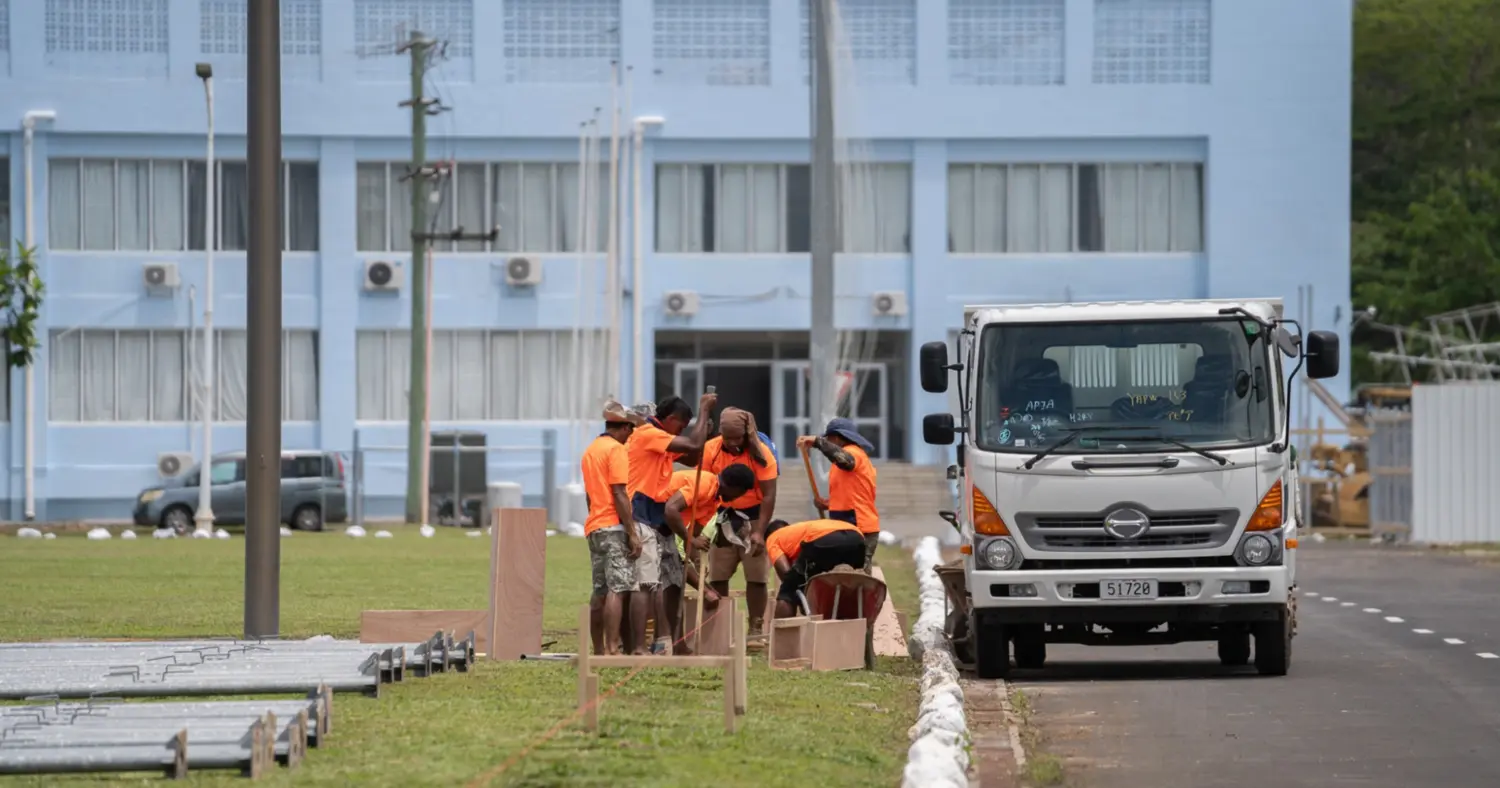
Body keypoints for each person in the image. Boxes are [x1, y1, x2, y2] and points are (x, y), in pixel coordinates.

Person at [626, 391, 717, 655]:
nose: (683, 431)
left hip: (654, 515)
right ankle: (639, 646)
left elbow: (692, 456)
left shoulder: (662, 439)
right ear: (671, 419)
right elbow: (691, 446)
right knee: (647, 583)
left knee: (666, 580)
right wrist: (703, 411)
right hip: (640, 510)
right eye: (682, 425)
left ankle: (669, 641)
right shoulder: (649, 434)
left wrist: (703, 431)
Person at [701, 408, 778, 641]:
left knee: (756, 576)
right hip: (721, 514)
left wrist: (759, 532)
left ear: (747, 433)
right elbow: (704, 485)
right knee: (717, 575)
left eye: (738, 438)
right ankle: (720, 630)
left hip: (754, 516)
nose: (733, 443)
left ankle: (755, 629)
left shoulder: (762, 454)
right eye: (728, 438)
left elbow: (769, 495)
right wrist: (705, 526)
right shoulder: (710, 449)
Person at [580, 404, 643, 656]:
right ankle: (612, 647)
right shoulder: (616, 450)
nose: (630, 436)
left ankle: (598, 650)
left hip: (594, 526)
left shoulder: (591, 450)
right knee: (618, 588)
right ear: (625, 427)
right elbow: (619, 492)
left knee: (600, 590)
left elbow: (588, 495)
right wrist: (631, 531)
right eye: (631, 431)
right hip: (613, 526)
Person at [798, 417, 880, 574]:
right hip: (844, 527)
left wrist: (817, 442)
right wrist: (828, 504)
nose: (828, 441)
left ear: (836, 437)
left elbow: (844, 459)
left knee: (857, 577)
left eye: (828, 439)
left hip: (859, 526)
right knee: (842, 575)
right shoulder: (841, 464)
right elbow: (852, 493)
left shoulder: (854, 454)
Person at [662, 467, 725, 650]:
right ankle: (670, 642)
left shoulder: (715, 502)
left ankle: (676, 642)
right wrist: (705, 590)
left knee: (674, 584)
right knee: (669, 584)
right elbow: (671, 509)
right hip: (653, 519)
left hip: (671, 530)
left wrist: (697, 558)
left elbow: (694, 534)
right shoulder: (705, 484)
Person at [764, 518, 866, 619]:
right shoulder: (799, 530)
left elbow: (785, 572)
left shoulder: (772, 538)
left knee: (788, 590)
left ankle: (784, 634)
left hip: (823, 539)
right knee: (848, 587)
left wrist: (796, 588)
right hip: (857, 537)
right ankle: (851, 627)